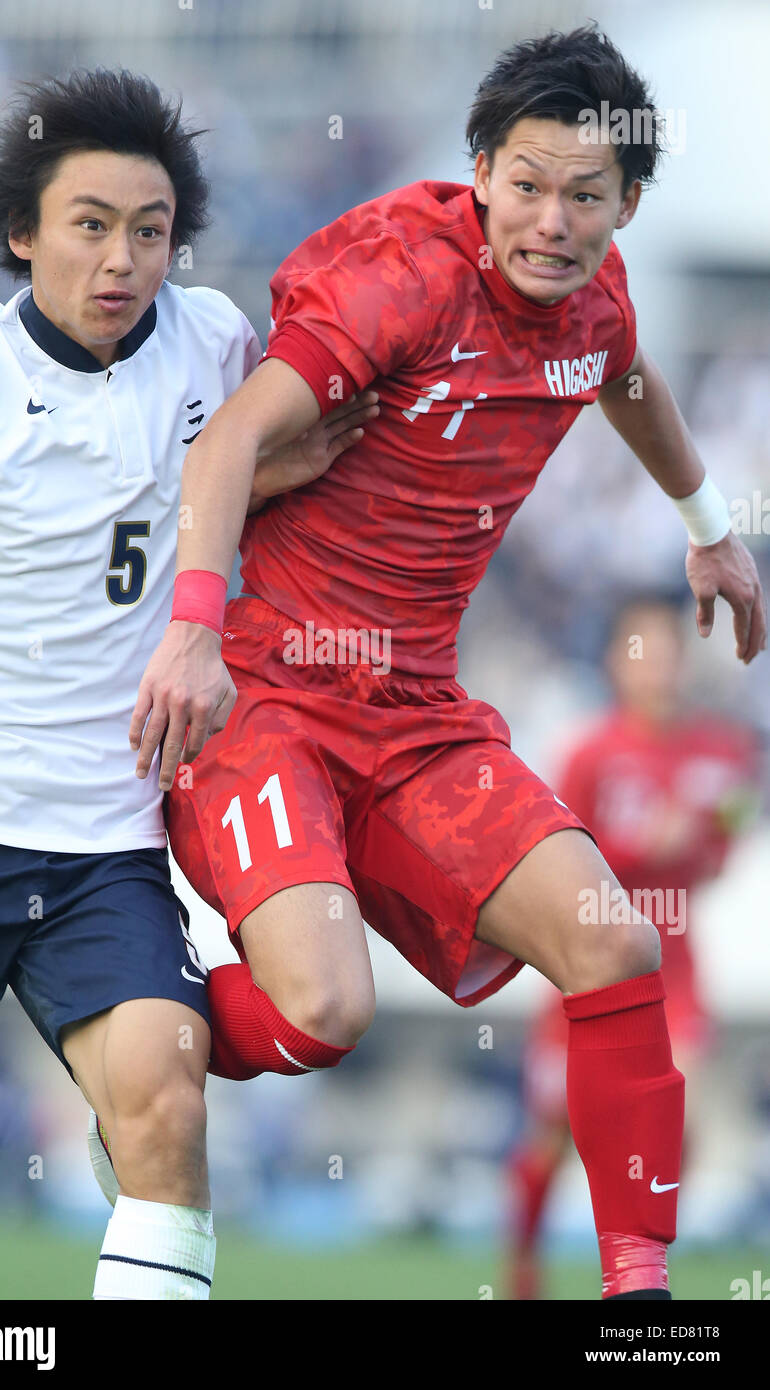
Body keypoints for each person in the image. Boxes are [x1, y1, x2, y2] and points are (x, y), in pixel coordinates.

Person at [132, 25, 767, 1300]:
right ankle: (129, 1037)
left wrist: (711, 534)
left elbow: (623, 373)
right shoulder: (397, 280)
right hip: (263, 690)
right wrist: (194, 632)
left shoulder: (598, 298)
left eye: (583, 196)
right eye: (525, 184)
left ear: (626, 205)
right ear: (478, 172)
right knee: (322, 1011)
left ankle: (633, 1299)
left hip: (417, 710)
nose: (549, 219)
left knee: (612, 945)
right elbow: (226, 448)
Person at [0, 66, 375, 1300]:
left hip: (102, 846)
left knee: (167, 1102)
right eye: (90, 225)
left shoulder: (217, 345)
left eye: (150, 230)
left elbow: (255, 470)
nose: (123, 259)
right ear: (21, 234)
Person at [506, 593, 760, 1299]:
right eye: (642, 649)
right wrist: (640, 848)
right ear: (619, 662)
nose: (657, 667)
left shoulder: (719, 751)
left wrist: (709, 840)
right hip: (585, 968)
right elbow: (560, 863)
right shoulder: (590, 754)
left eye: (668, 650)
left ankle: (635, 1273)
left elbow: (715, 862)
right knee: (557, 1133)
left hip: (673, 968)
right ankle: (523, 1272)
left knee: (682, 1122)